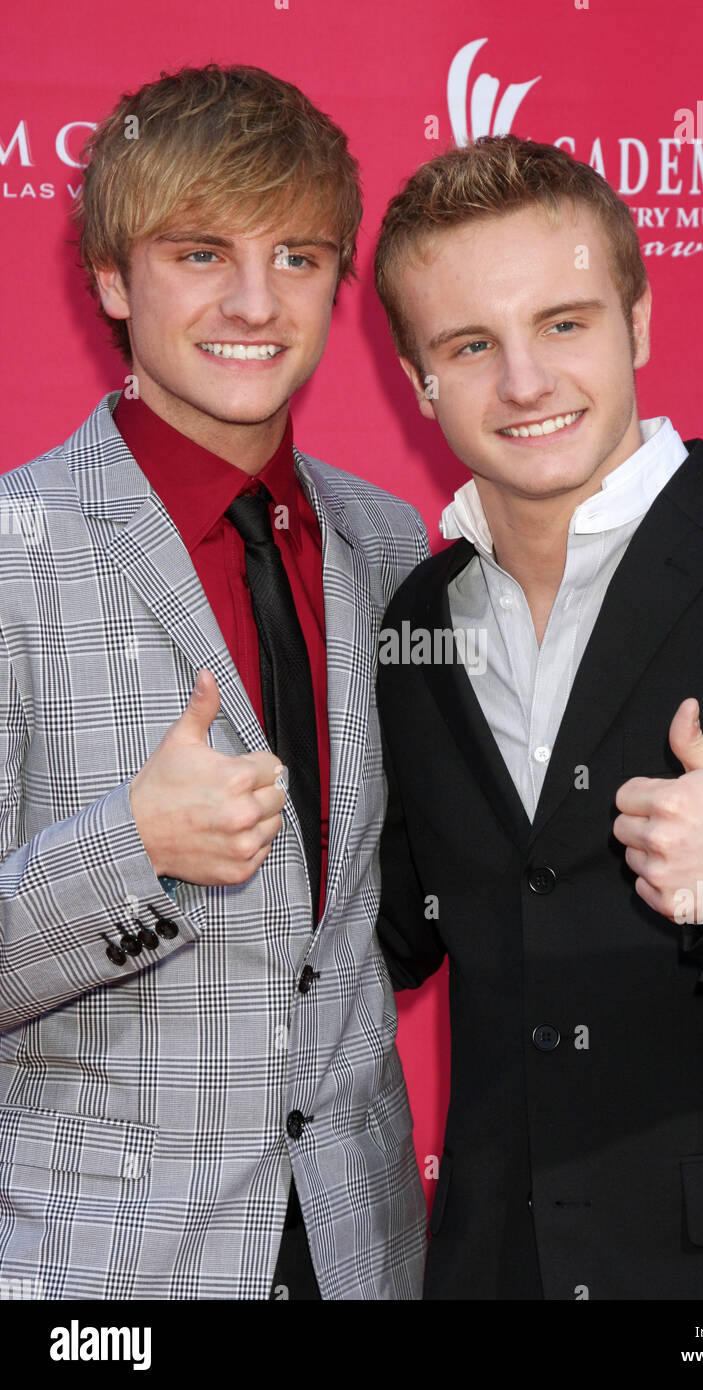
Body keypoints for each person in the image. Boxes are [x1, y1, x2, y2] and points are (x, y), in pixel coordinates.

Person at [372, 134, 703, 1300]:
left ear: (635, 324)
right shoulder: (414, 623)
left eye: (563, 323)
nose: (525, 382)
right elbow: (386, 935)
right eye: (471, 345)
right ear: (418, 380)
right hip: (500, 1271)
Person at [0, 64, 429, 1301]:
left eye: (298, 257)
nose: (256, 301)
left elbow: (373, 923)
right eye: (202, 253)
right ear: (114, 279)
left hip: (357, 1257)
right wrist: (129, 849)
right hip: (100, 1280)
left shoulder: (387, 542)